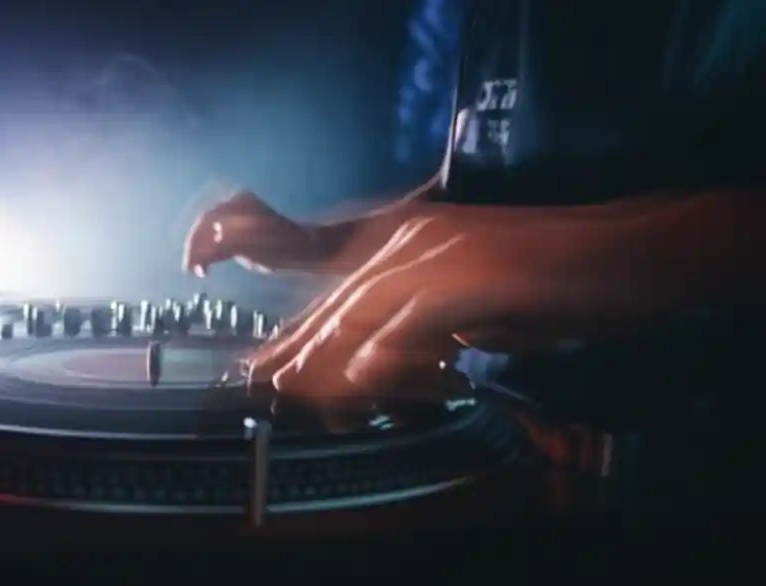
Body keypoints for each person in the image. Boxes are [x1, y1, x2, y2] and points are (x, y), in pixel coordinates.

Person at [182, 0, 765, 404]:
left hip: (687, 487)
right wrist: (311, 244)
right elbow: (469, 193)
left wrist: (538, 261)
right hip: (504, 433)